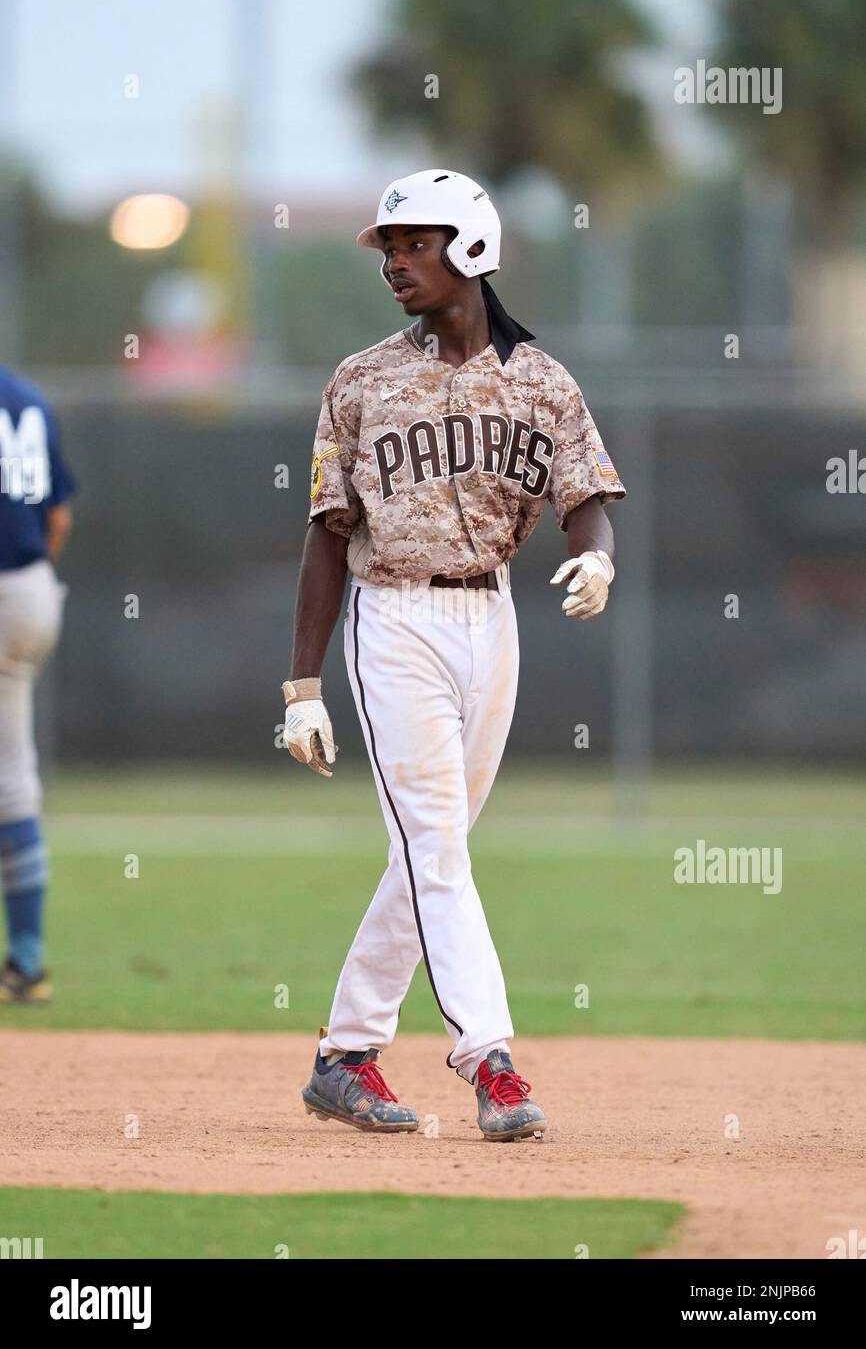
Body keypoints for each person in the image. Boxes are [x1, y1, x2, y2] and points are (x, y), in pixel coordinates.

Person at [284, 170, 625, 1141]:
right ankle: (492, 1062)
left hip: (492, 620)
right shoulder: (360, 378)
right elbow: (324, 531)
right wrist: (301, 683)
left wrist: (596, 560)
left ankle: (344, 1057)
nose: (393, 262)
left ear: (470, 248)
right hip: (392, 619)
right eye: (388, 247)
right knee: (434, 845)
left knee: (430, 850)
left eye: (415, 243)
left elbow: (582, 498)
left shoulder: (540, 379)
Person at [0, 367, 75, 1003]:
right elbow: (58, 516)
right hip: (26, 592)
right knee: (12, 773)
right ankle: (26, 959)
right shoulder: (27, 396)